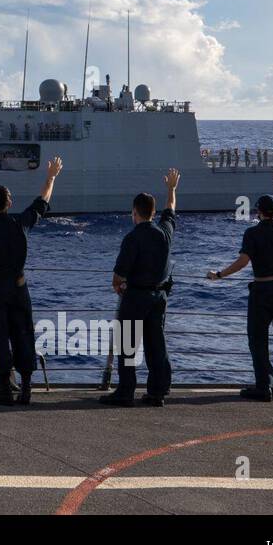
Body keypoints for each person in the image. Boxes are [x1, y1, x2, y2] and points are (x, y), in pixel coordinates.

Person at [0, 157, 63, 406]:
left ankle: (4, 389)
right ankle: (26, 387)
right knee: (24, 335)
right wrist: (51, 176)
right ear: (10, 203)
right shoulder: (19, 224)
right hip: (19, 289)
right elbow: (42, 203)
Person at [206, 174, 273, 401]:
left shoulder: (252, 233)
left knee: (257, 339)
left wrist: (219, 274)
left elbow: (243, 262)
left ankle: (264, 386)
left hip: (262, 291)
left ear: (258, 212)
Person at [100, 168, 178, 407]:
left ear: (134, 212)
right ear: (153, 213)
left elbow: (118, 276)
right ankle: (158, 391)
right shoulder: (165, 232)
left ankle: (125, 392)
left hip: (135, 297)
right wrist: (172, 189)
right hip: (159, 297)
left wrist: (119, 286)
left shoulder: (132, 238)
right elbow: (171, 210)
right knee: (157, 345)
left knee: (127, 346)